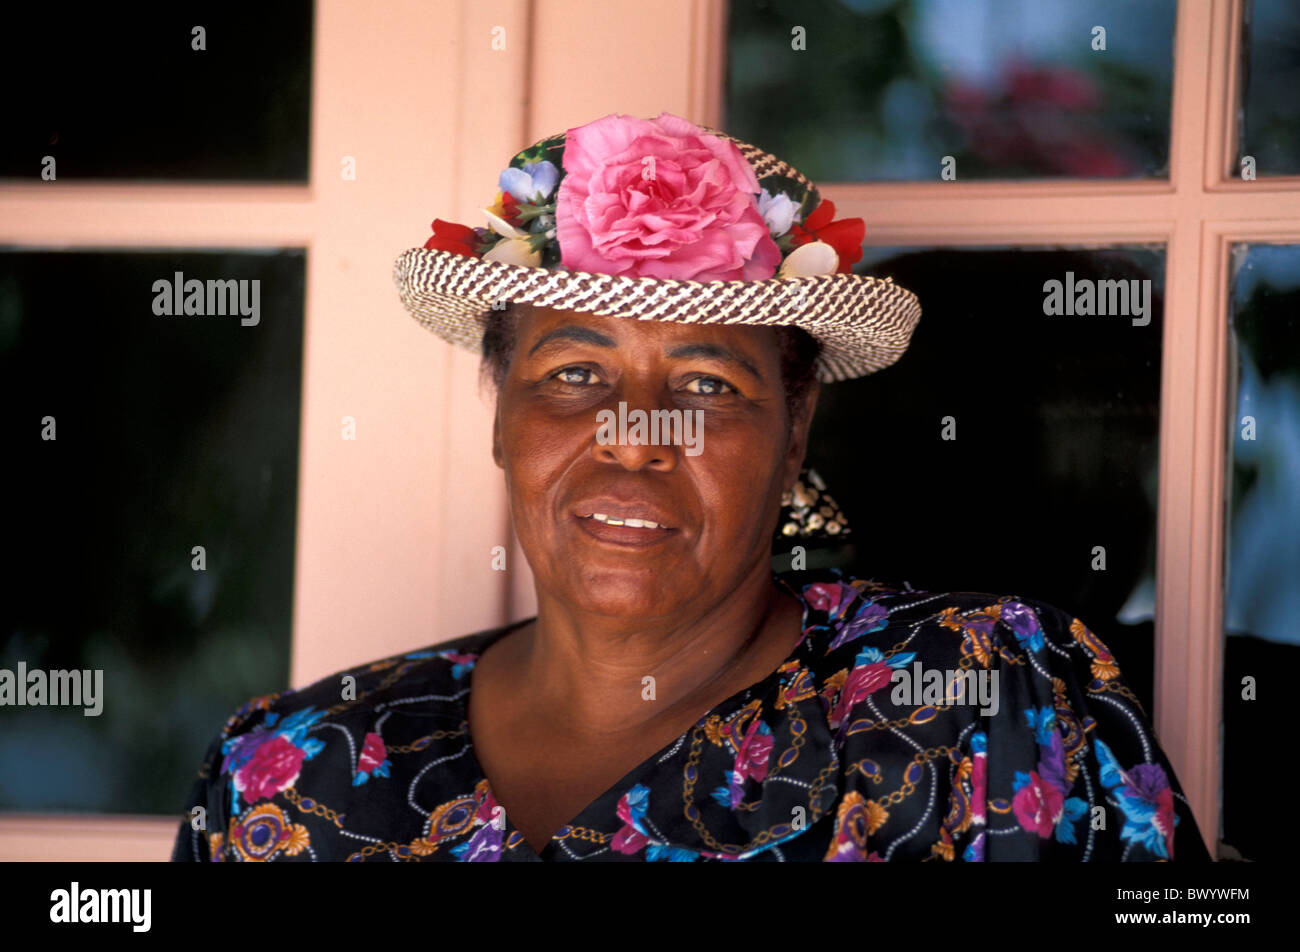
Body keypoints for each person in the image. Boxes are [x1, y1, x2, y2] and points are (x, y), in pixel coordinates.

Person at [171, 112, 1209, 862]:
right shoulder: (292, 766)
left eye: (706, 382)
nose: (633, 437)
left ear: (796, 426)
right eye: (575, 373)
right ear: (500, 412)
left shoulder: (981, 698)